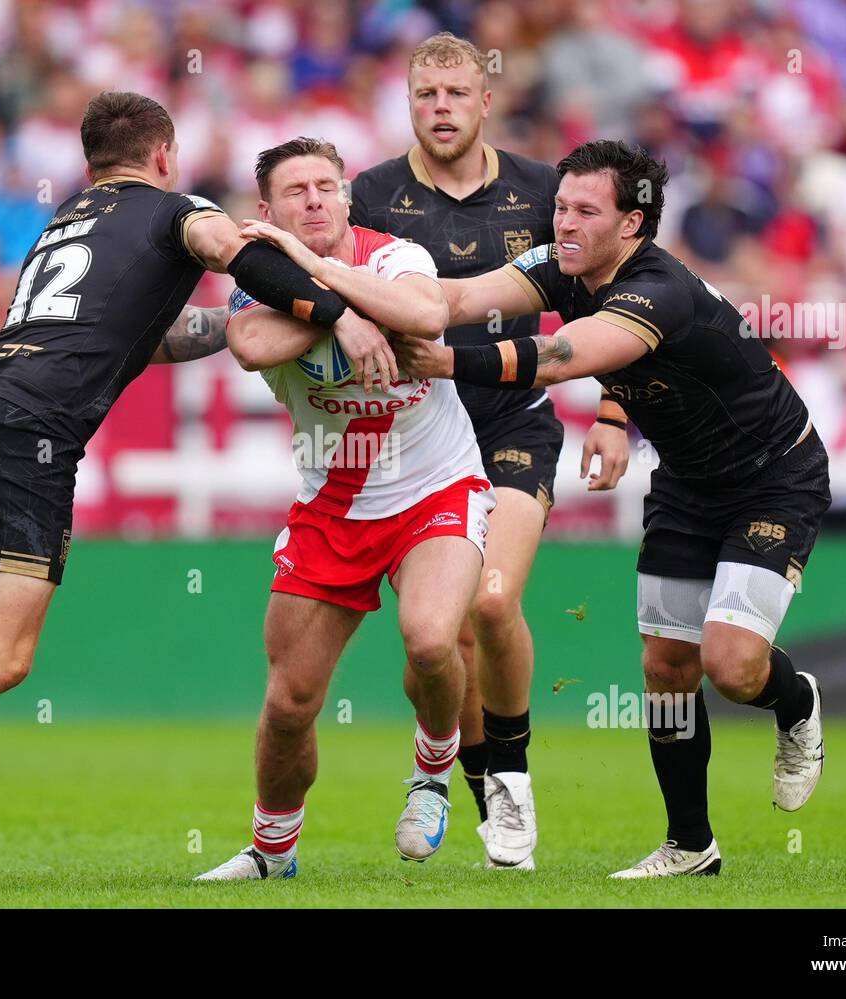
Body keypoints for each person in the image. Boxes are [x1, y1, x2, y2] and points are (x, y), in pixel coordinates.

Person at [0, 92, 390, 885]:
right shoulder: (178, 209)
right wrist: (338, 310)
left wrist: (231, 331)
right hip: (27, 435)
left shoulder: (69, 219)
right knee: (1, 655)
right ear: (164, 154)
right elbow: (232, 251)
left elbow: (141, 334)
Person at [394, 139, 830, 878]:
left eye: (584, 211)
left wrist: (443, 360)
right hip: (687, 485)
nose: (562, 221)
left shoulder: (657, 289)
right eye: (560, 206)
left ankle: (795, 701)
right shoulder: (566, 266)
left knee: (729, 664)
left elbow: (562, 356)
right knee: (666, 666)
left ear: (631, 225)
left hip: (773, 477)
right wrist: (330, 283)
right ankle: (691, 845)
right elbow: (460, 297)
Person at [346, 32, 629, 870]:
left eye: (455, 94)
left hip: (510, 421)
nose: (441, 109)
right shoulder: (371, 195)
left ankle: (510, 779)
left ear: (484, 100)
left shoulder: (546, 192)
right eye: (425, 95)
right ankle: (467, 783)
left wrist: (613, 410)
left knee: (492, 604)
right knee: (435, 652)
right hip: (416, 436)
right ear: (408, 102)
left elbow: (618, 297)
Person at [196, 137, 492, 880]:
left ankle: (431, 772)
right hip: (331, 502)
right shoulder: (256, 277)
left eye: (326, 186)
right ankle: (272, 851)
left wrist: (329, 278)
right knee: (291, 699)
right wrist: (343, 317)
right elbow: (250, 340)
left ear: (347, 196)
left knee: (431, 640)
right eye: (295, 192)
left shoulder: (395, 255)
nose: (314, 200)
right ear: (266, 212)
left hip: (436, 484)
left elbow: (424, 314)